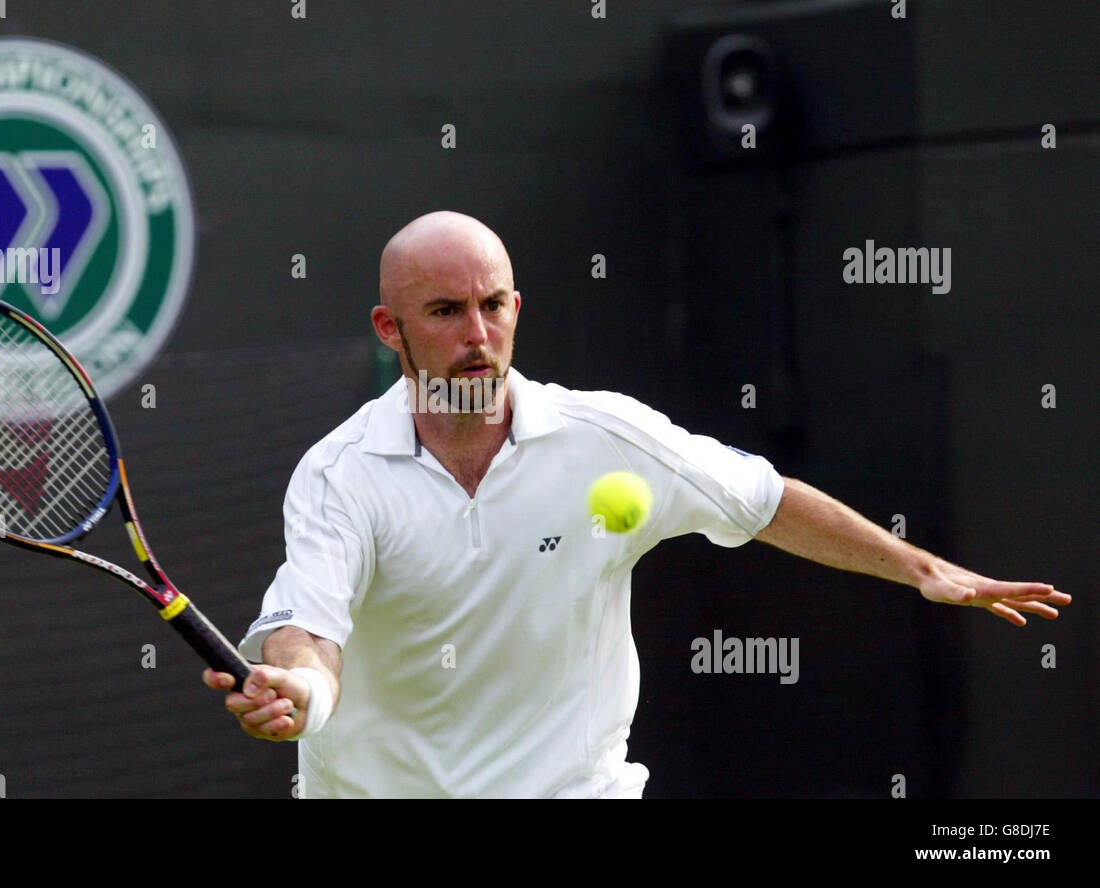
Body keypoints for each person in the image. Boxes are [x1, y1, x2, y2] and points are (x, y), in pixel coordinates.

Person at [203, 210, 1069, 798]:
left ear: (516, 306)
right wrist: (301, 696)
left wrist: (921, 570)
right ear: (389, 329)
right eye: (445, 311)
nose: (477, 335)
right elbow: (310, 634)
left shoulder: (608, 438)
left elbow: (766, 500)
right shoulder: (340, 474)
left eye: (493, 305)